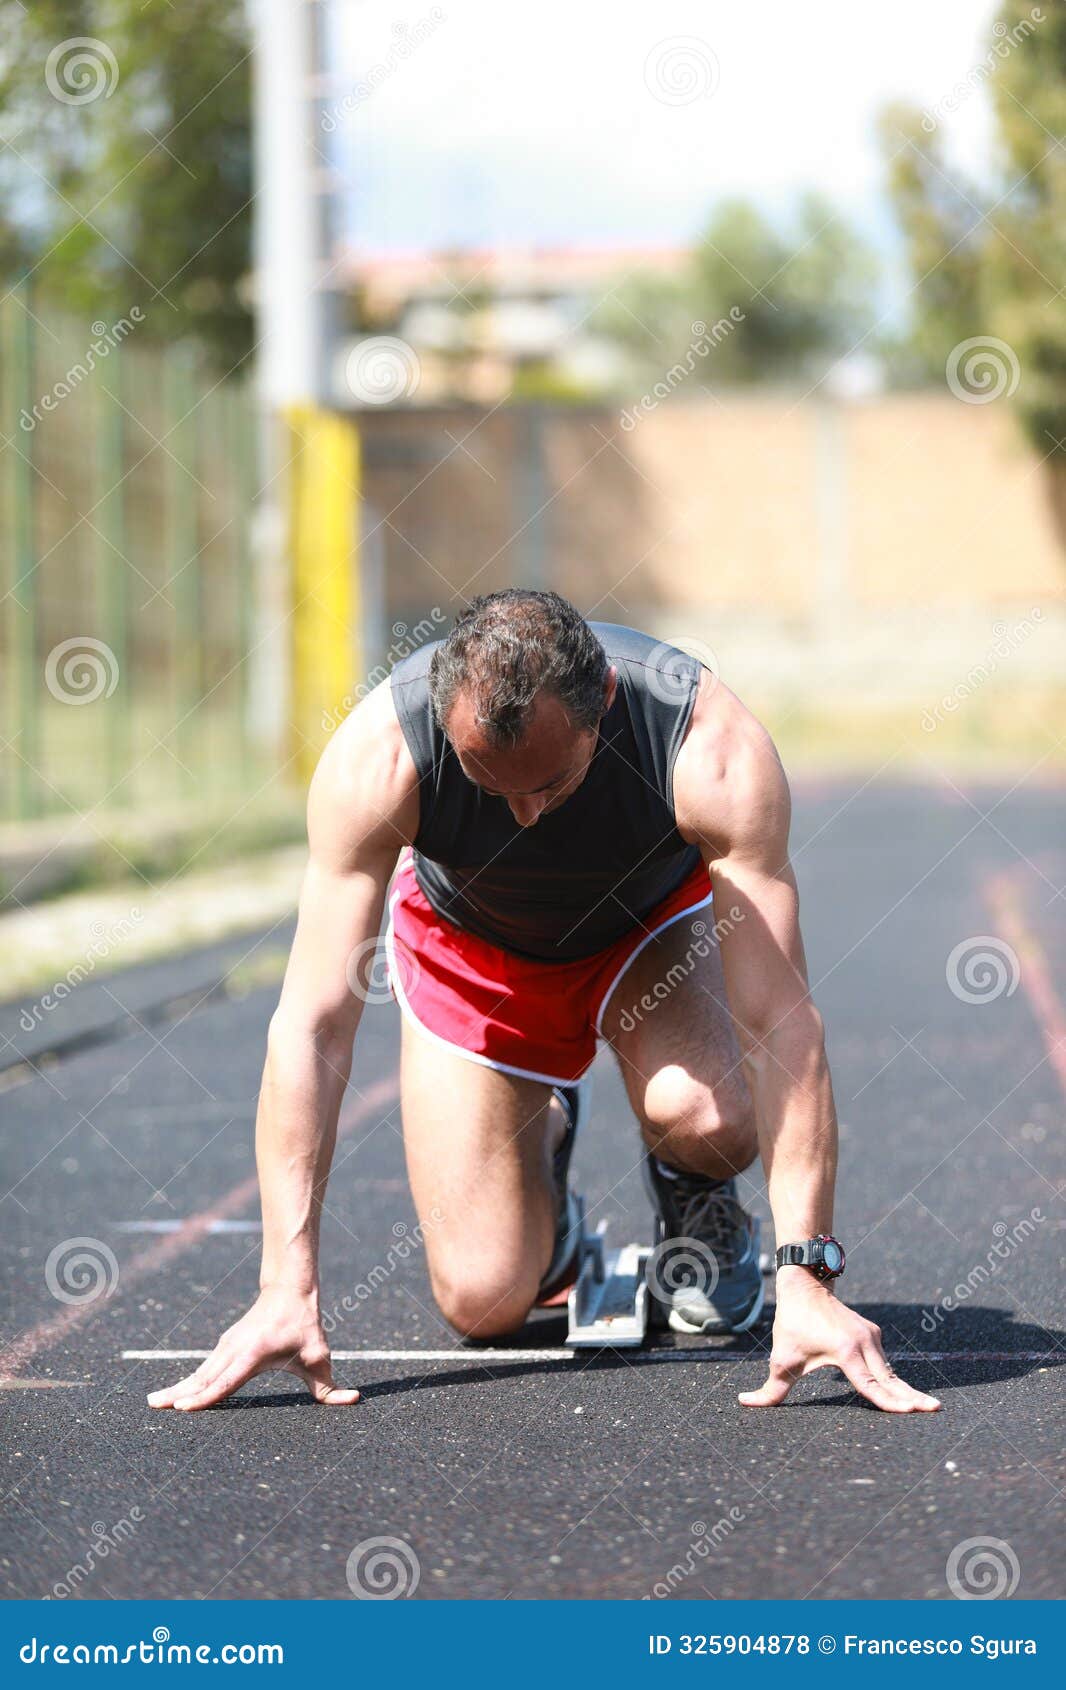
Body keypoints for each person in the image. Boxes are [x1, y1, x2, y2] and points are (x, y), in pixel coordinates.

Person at [148, 590, 940, 1415]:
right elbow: (312, 1028)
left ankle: (694, 1194)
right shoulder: (377, 760)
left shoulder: (708, 748)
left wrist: (806, 1278)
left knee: (708, 1115)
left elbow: (781, 1022)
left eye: (552, 782)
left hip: (649, 939)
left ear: (600, 700)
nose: (524, 815)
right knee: (483, 1300)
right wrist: (286, 1283)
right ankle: (548, 1187)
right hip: (473, 957)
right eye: (490, 783)